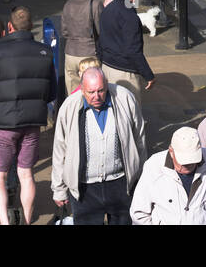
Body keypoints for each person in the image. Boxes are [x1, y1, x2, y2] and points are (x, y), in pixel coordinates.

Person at [0, 5, 56, 226]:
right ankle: (27, 221)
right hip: (32, 123)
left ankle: (4, 222)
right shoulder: (45, 52)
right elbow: (53, 92)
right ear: (31, 26)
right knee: (26, 174)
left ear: (9, 27)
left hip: (1, 124)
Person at [51, 66, 146, 225]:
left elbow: (139, 140)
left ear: (107, 84)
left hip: (120, 184)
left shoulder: (125, 98)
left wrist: (142, 178)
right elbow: (60, 150)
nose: (96, 96)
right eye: (91, 92)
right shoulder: (69, 107)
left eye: (101, 90)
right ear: (82, 89)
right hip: (85, 189)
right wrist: (59, 189)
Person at [130, 126, 206, 225]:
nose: (188, 166)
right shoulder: (153, 166)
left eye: (193, 160)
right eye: (184, 162)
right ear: (171, 152)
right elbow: (139, 213)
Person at [99, 0, 154, 102]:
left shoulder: (108, 9)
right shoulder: (130, 17)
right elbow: (133, 51)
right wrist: (148, 75)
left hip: (107, 67)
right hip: (124, 72)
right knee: (131, 111)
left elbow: (101, 39)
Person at [61, 0, 104, 95]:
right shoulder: (95, 4)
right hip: (89, 54)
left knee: (73, 94)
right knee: (92, 92)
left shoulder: (68, 4)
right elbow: (102, 31)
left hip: (70, 53)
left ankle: (75, 114)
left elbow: (64, 31)